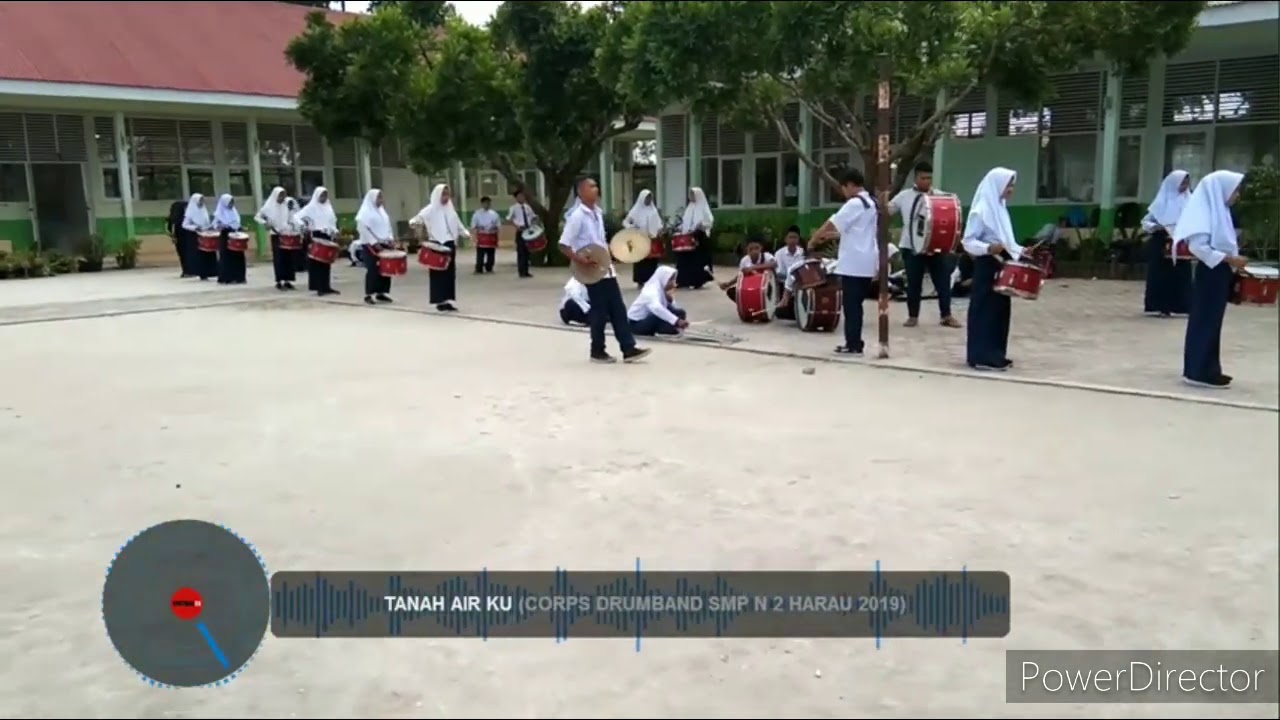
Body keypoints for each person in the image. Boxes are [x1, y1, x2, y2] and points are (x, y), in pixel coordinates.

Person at [558, 175, 652, 364]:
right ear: (581, 191)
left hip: (606, 268)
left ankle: (628, 348)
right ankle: (597, 350)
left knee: (618, 308)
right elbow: (563, 244)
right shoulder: (577, 216)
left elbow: (600, 241)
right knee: (600, 311)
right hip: (591, 271)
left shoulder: (598, 214)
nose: (596, 189)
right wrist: (579, 259)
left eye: (596, 186)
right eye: (591, 186)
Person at [1174, 170, 1249, 389]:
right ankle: (1197, 371)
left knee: (1212, 321)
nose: (1237, 195)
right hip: (1211, 271)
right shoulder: (1204, 213)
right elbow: (1198, 247)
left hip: (1220, 270)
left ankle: (1209, 368)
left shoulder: (1220, 212)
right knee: (1204, 320)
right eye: (1235, 190)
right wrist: (1229, 259)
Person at [807, 169, 877, 356]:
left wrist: (814, 239)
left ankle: (853, 344)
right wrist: (830, 236)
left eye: (844, 188)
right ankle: (855, 342)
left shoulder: (854, 203)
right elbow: (853, 230)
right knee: (857, 305)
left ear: (850, 185)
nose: (843, 192)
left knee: (852, 306)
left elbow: (833, 223)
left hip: (853, 263)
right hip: (867, 262)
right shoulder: (871, 203)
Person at [886, 161, 962, 329]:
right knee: (914, 283)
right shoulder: (904, 196)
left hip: (935, 246)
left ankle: (946, 315)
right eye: (923, 178)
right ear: (916, 178)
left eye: (929, 178)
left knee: (942, 281)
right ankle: (913, 316)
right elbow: (888, 210)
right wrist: (883, 198)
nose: (927, 181)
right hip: (911, 246)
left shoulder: (939, 196)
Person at [960, 167, 1022, 371]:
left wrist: (1022, 250)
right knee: (985, 310)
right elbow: (968, 242)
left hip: (1002, 265)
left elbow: (1006, 242)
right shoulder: (981, 211)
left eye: (1012, 185)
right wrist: (988, 248)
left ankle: (996, 354)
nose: (1011, 189)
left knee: (1000, 311)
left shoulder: (1000, 210)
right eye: (1008, 185)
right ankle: (981, 355)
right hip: (987, 264)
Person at [1142, 170, 1194, 317]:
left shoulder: (1190, 201)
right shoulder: (1161, 202)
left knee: (1181, 274)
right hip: (1161, 241)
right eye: (1182, 182)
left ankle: (1182, 305)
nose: (1185, 186)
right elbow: (1146, 222)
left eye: (1187, 183)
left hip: (1181, 243)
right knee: (1161, 274)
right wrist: (1157, 227)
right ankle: (1160, 305)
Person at [411, 183, 469, 312]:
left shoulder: (450, 209)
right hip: (436, 244)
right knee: (437, 273)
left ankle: (448, 299)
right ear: (437, 195)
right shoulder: (430, 209)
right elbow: (415, 221)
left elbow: (458, 225)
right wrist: (421, 237)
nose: (446, 197)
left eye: (448, 194)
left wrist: (466, 234)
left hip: (449, 244)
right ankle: (439, 300)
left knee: (449, 273)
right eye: (443, 194)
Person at [295, 186, 340, 296]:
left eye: (325, 195)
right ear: (316, 196)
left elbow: (332, 221)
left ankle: (326, 286)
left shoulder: (328, 207)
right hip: (316, 235)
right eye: (321, 195)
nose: (323, 197)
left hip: (328, 235)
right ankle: (318, 287)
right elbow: (296, 217)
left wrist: (335, 230)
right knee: (317, 262)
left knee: (326, 263)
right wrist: (305, 226)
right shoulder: (311, 207)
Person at [355, 188, 396, 306]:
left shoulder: (382, 212)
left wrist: (390, 239)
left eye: (381, 197)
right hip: (369, 244)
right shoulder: (365, 212)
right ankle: (369, 294)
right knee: (373, 269)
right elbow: (362, 229)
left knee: (385, 269)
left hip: (384, 243)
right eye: (378, 198)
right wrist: (374, 242)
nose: (381, 200)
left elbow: (388, 227)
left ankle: (381, 292)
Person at [255, 186, 298, 291]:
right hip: (276, 235)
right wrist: (265, 223)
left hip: (286, 234)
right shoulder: (268, 207)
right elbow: (257, 217)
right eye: (280, 195)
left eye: (284, 195)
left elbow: (291, 217)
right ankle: (279, 281)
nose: (282, 197)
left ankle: (288, 280)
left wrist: (292, 226)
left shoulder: (286, 206)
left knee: (288, 258)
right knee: (279, 258)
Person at [628, 266, 689, 336]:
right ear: (664, 278)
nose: (673, 282)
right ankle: (668, 328)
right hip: (636, 324)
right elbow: (657, 309)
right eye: (670, 280)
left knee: (680, 312)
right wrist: (677, 321)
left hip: (650, 317)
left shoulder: (661, 288)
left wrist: (670, 301)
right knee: (657, 316)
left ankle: (670, 328)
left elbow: (671, 308)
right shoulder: (650, 291)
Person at [675, 187, 715, 289]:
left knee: (697, 261)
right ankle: (683, 280)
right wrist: (680, 228)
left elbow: (709, 221)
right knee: (684, 259)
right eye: (690, 195)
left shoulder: (703, 207)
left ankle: (697, 281)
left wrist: (700, 225)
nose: (691, 197)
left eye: (693, 195)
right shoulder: (690, 207)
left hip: (699, 237)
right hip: (688, 236)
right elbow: (685, 222)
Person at [624, 189, 665, 287]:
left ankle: (651, 280)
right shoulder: (635, 211)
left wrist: (660, 230)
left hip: (652, 239)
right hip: (640, 238)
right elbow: (626, 222)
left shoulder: (653, 211)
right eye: (647, 198)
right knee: (641, 260)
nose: (648, 200)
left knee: (651, 261)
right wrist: (632, 228)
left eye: (650, 198)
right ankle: (641, 280)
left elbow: (658, 224)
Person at [719, 237, 776, 302]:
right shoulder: (744, 260)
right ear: (747, 249)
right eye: (750, 249)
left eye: (756, 248)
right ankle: (747, 305)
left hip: (765, 286)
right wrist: (728, 284)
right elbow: (740, 276)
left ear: (761, 248)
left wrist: (753, 268)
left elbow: (774, 264)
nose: (754, 251)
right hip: (751, 286)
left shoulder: (766, 256)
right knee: (732, 292)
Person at [181, 193, 215, 281]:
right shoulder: (190, 212)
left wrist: (210, 226)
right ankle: (202, 273)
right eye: (200, 200)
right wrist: (195, 227)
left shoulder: (203, 210)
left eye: (202, 200)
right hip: (195, 236)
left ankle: (209, 272)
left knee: (208, 254)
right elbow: (184, 225)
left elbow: (206, 222)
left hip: (205, 234)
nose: (202, 202)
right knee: (199, 256)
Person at [213, 194, 246, 285]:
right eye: (230, 202)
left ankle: (239, 277)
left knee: (238, 256)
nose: (231, 204)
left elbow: (236, 223)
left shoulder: (234, 211)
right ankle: (227, 277)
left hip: (236, 235)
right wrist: (222, 226)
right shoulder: (219, 214)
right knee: (227, 257)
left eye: (232, 202)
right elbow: (215, 225)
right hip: (225, 236)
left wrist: (241, 227)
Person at [507, 188, 538, 279]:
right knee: (521, 252)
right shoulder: (513, 208)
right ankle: (521, 271)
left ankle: (526, 271)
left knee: (527, 252)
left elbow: (533, 217)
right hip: (520, 231)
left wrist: (535, 221)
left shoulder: (527, 207)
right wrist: (516, 226)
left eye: (523, 196)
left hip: (528, 231)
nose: (522, 198)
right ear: (516, 198)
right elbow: (509, 219)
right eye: (520, 196)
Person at [470, 195, 501, 274]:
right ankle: (479, 268)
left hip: (491, 235)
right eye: (485, 203)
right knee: (480, 253)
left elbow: (498, 226)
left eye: (488, 203)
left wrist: (494, 229)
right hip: (481, 235)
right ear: (482, 203)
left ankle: (489, 267)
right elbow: (473, 226)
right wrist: (474, 235)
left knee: (491, 252)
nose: (486, 204)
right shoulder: (477, 214)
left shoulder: (494, 214)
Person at [166, 200, 193, 278]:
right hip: (182, 240)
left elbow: (169, 230)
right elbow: (170, 230)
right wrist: (173, 236)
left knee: (185, 255)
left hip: (182, 240)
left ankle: (188, 271)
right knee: (185, 255)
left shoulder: (178, 218)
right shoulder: (178, 219)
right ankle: (188, 271)